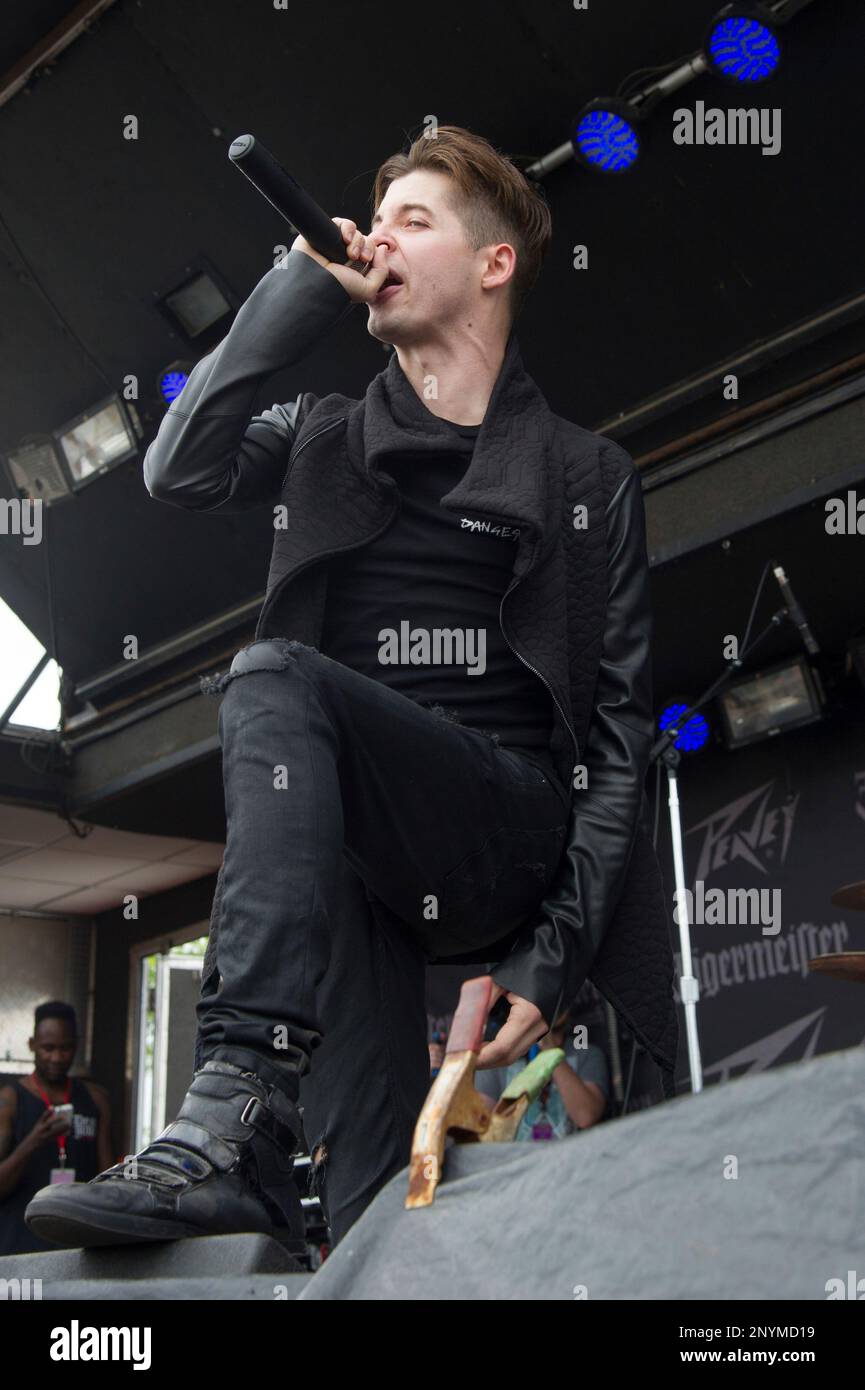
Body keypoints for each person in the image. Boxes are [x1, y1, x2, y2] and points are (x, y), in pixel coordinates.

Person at [27, 124, 676, 1252]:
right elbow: (179, 468)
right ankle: (269, 1162)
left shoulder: (585, 474)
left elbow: (620, 743)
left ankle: (235, 1102)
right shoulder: (319, 434)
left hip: (508, 830)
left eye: (412, 222)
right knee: (371, 1213)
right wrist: (294, 287)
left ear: (494, 263)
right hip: (362, 859)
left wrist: (550, 957)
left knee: (272, 675)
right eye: (375, 224)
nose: (379, 241)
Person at [0, 1002, 112, 1254]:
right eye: (48, 1048)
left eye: (65, 1048)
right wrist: (33, 1141)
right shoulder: (10, 1101)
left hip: (77, 1249)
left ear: (77, 1046)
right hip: (19, 1249)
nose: (57, 1058)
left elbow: (107, 1183)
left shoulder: (96, 1100)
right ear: (32, 1045)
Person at [475, 1006, 609, 1139]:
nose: (549, 1007)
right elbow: (480, 1125)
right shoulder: (497, 1059)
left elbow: (585, 1117)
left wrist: (549, 1048)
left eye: (558, 1003)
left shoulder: (587, 1053)